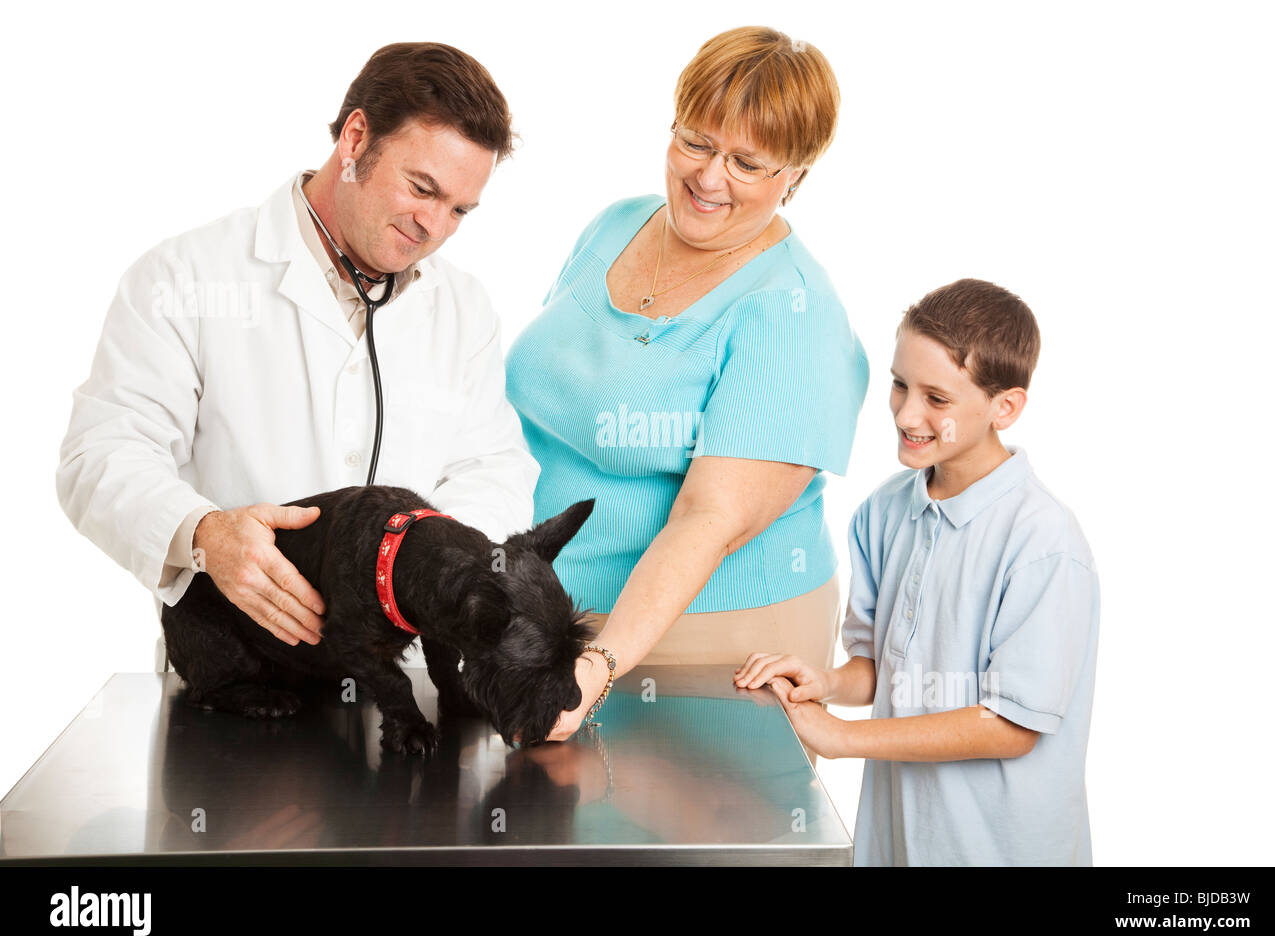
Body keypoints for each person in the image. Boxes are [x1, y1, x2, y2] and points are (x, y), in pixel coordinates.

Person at [55, 42, 539, 670]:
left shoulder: (464, 307)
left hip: (403, 676)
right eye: (422, 188)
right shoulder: (186, 276)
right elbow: (101, 455)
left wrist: (431, 564)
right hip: (241, 674)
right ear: (356, 138)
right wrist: (205, 533)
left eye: (459, 211)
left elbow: (494, 469)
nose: (434, 227)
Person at [505, 26, 870, 740]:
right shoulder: (618, 224)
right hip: (559, 611)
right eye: (696, 142)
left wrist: (596, 667)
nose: (708, 178)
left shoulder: (793, 311)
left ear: (795, 174)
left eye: (747, 162)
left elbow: (711, 522)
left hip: (713, 639)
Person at [735, 278, 1101, 865]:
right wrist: (826, 684)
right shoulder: (882, 513)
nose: (907, 413)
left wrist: (843, 738)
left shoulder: (1044, 544)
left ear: (1004, 406)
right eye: (900, 385)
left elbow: (1011, 725)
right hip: (899, 842)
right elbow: (882, 670)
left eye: (937, 398)